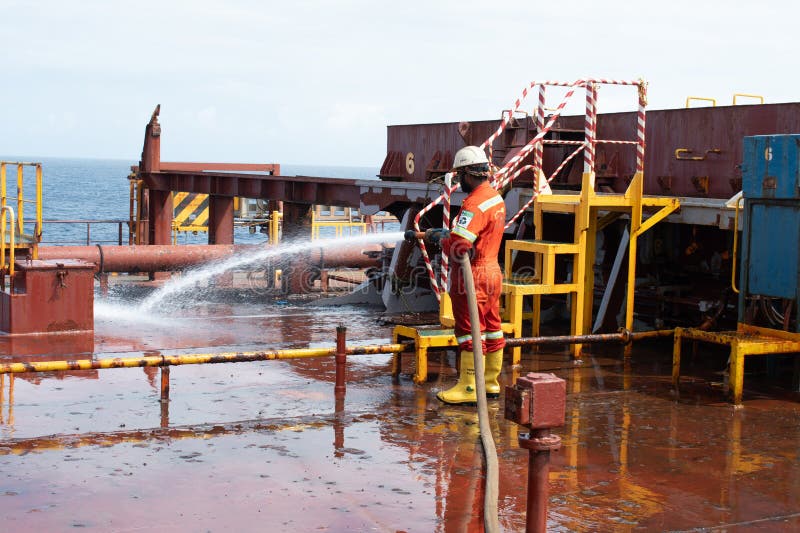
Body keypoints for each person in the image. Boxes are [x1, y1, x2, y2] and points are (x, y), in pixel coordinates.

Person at [433, 145, 506, 404]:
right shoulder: (494, 197)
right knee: (492, 327)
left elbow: (461, 245)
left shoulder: (474, 203)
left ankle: (467, 387)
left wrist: (444, 241)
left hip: (472, 275)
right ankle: (490, 383)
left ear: (467, 174)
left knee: (468, 329)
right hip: (493, 271)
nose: (459, 182)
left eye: (459, 176)